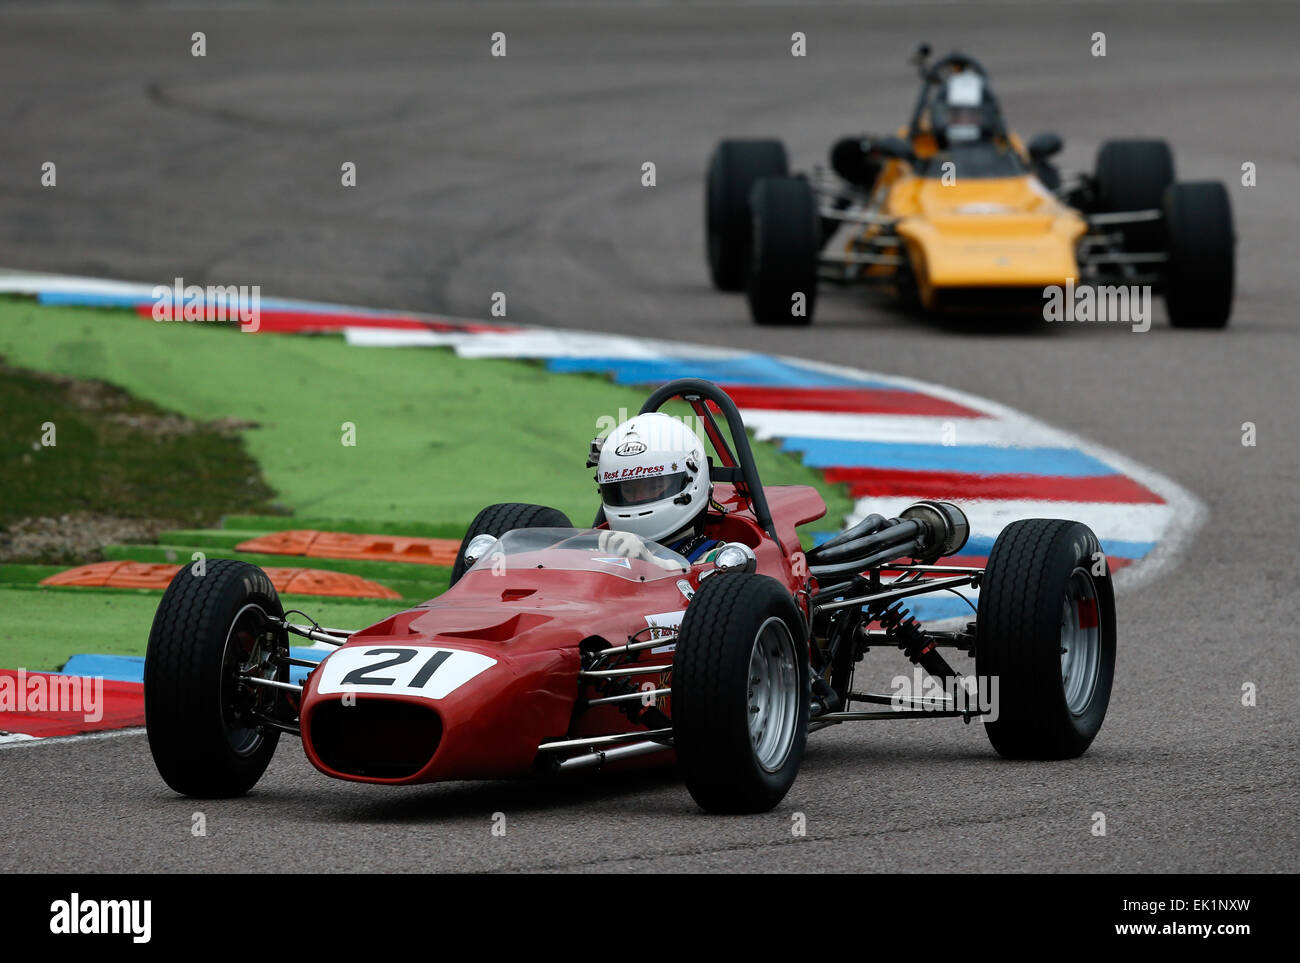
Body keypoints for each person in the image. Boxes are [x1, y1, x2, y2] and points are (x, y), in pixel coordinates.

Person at [589, 412, 724, 564]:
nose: (638, 498)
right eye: (628, 490)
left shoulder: (718, 560)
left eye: (652, 487)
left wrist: (652, 563)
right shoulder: (599, 549)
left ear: (690, 481)